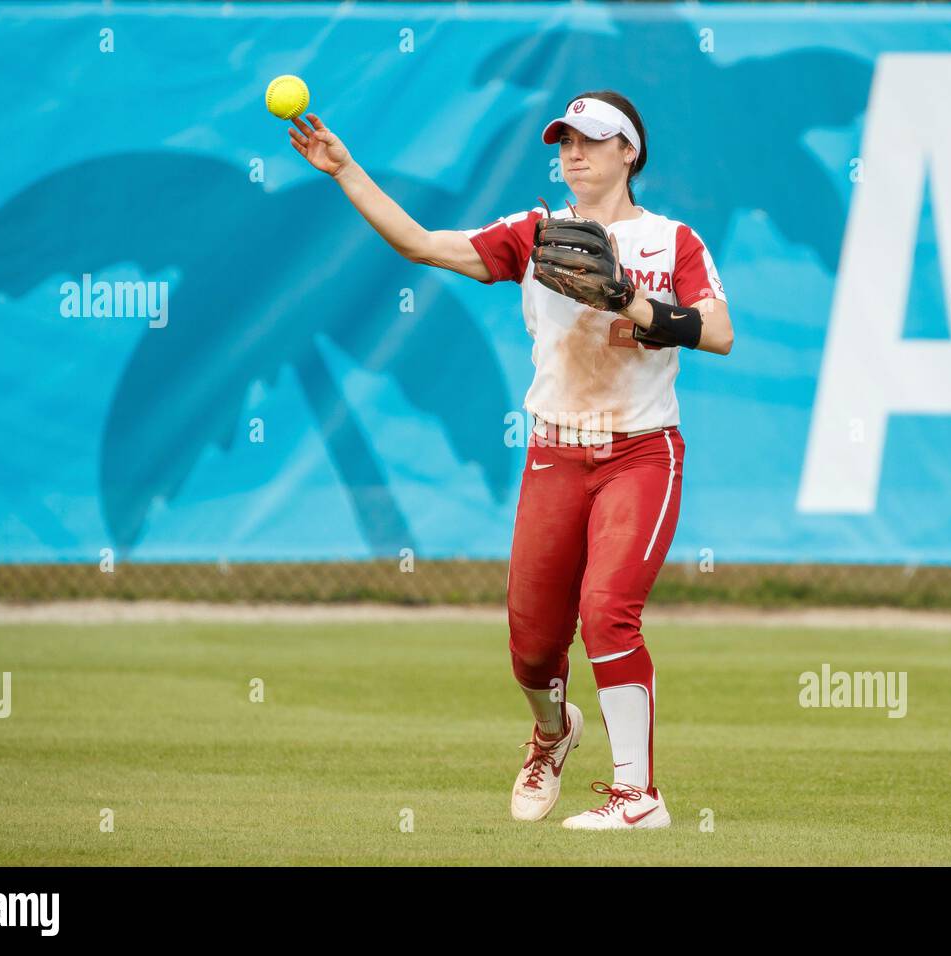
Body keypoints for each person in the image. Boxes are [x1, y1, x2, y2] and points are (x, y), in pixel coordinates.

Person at [289, 89, 733, 830]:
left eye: (592, 140)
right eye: (565, 140)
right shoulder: (535, 232)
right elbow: (422, 243)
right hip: (555, 454)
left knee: (608, 615)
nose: (574, 153)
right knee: (532, 649)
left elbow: (718, 332)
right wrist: (344, 170)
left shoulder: (672, 241)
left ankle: (637, 798)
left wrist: (628, 299)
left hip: (640, 454)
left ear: (631, 152)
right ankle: (553, 735)